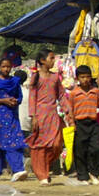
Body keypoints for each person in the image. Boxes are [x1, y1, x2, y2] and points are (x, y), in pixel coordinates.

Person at [23, 51, 65, 182]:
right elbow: (32, 98)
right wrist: (33, 116)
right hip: (40, 115)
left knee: (56, 144)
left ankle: (45, 167)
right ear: (42, 60)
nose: (53, 60)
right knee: (41, 146)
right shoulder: (36, 77)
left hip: (53, 114)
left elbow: (62, 95)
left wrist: (68, 110)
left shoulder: (55, 77)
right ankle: (42, 174)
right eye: (51, 58)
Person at [0, 57, 28, 179]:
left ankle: (18, 169)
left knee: (14, 141)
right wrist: (3, 100)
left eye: (8, 67)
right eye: (3, 66)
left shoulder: (14, 82)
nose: (6, 69)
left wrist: (15, 101)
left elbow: (19, 97)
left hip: (11, 116)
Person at [66, 65, 99, 183]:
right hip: (80, 123)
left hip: (93, 123)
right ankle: (83, 175)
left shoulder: (95, 91)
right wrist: (72, 123)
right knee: (80, 150)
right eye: (82, 77)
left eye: (88, 77)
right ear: (77, 78)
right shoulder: (74, 93)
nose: (85, 80)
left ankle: (94, 172)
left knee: (96, 148)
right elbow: (70, 110)